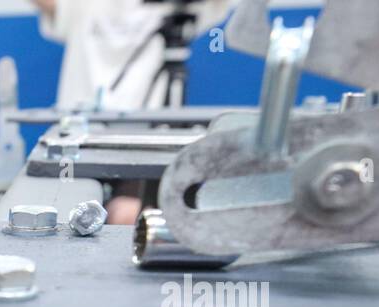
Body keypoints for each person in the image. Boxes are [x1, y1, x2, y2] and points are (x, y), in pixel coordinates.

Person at [30, 0, 232, 223]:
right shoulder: (85, 6)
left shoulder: (177, 9)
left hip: (144, 148)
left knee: (128, 214)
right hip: (77, 145)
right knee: (63, 216)